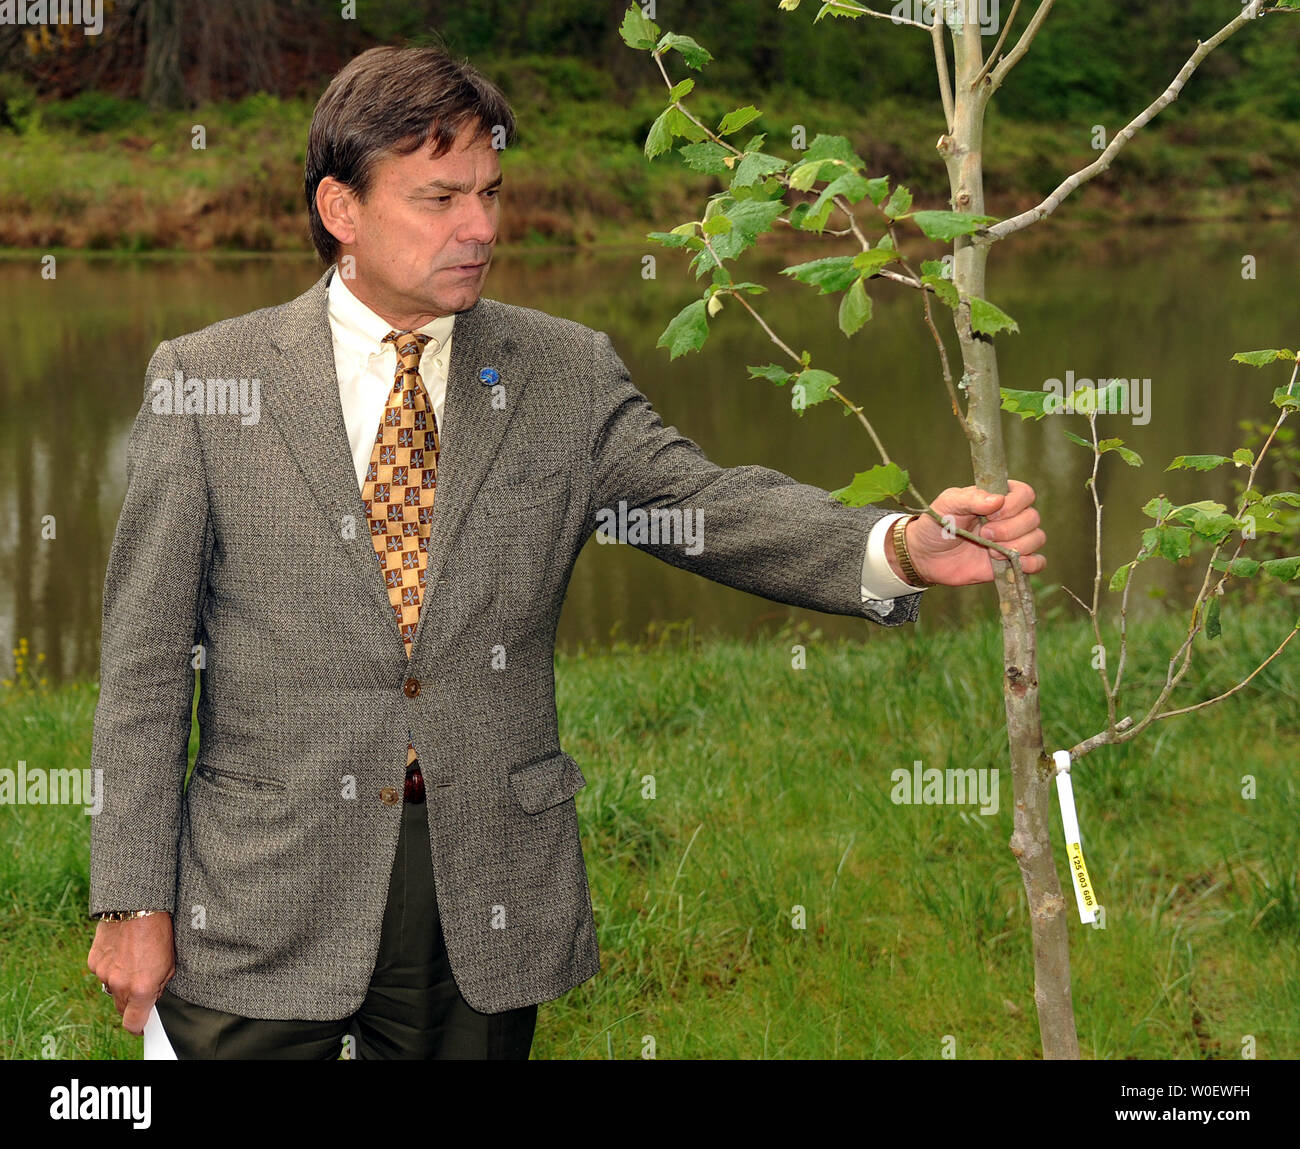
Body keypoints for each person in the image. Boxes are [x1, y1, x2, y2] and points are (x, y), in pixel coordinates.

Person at [86, 45, 1046, 1060]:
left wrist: (898, 545)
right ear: (340, 209)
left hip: (482, 888)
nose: (482, 228)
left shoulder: (561, 373)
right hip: (258, 893)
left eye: (490, 194)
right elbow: (146, 668)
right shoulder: (206, 380)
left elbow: (699, 506)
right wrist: (133, 896)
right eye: (440, 198)